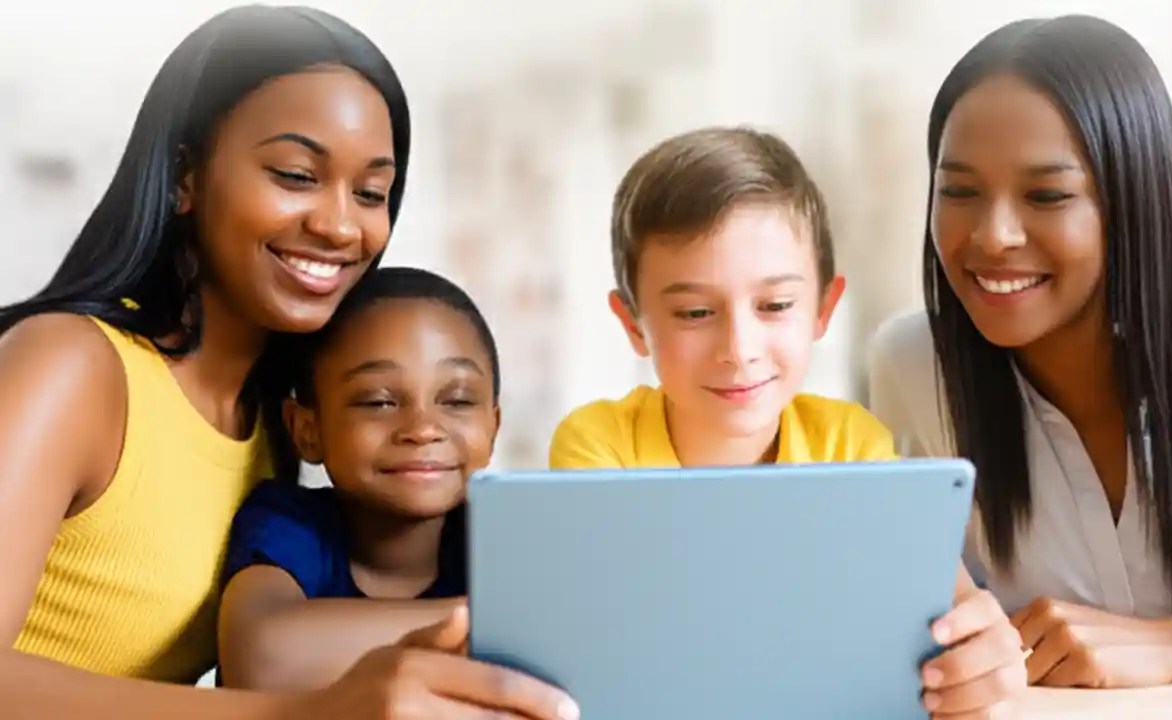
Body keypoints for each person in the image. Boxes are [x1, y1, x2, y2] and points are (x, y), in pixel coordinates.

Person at [0, 6, 575, 719]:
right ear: (185, 177)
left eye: (371, 192)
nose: (339, 225)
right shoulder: (70, 364)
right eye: (296, 174)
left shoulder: (273, 421)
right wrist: (303, 714)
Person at [550, 126, 1026, 717]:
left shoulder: (852, 445)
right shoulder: (597, 446)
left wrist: (978, 652)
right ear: (632, 324)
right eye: (695, 312)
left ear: (823, 310)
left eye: (775, 306)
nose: (739, 347)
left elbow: (946, 609)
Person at [869, 15, 1172, 689]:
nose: (993, 235)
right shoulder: (912, 366)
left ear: (1134, 204)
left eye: (1047, 196)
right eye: (960, 192)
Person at [219, 267, 497, 690]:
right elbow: (262, 657)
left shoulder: (500, 539)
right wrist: (501, 623)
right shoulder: (289, 524)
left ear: (493, 425)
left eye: (457, 400)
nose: (423, 429)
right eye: (379, 401)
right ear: (306, 430)